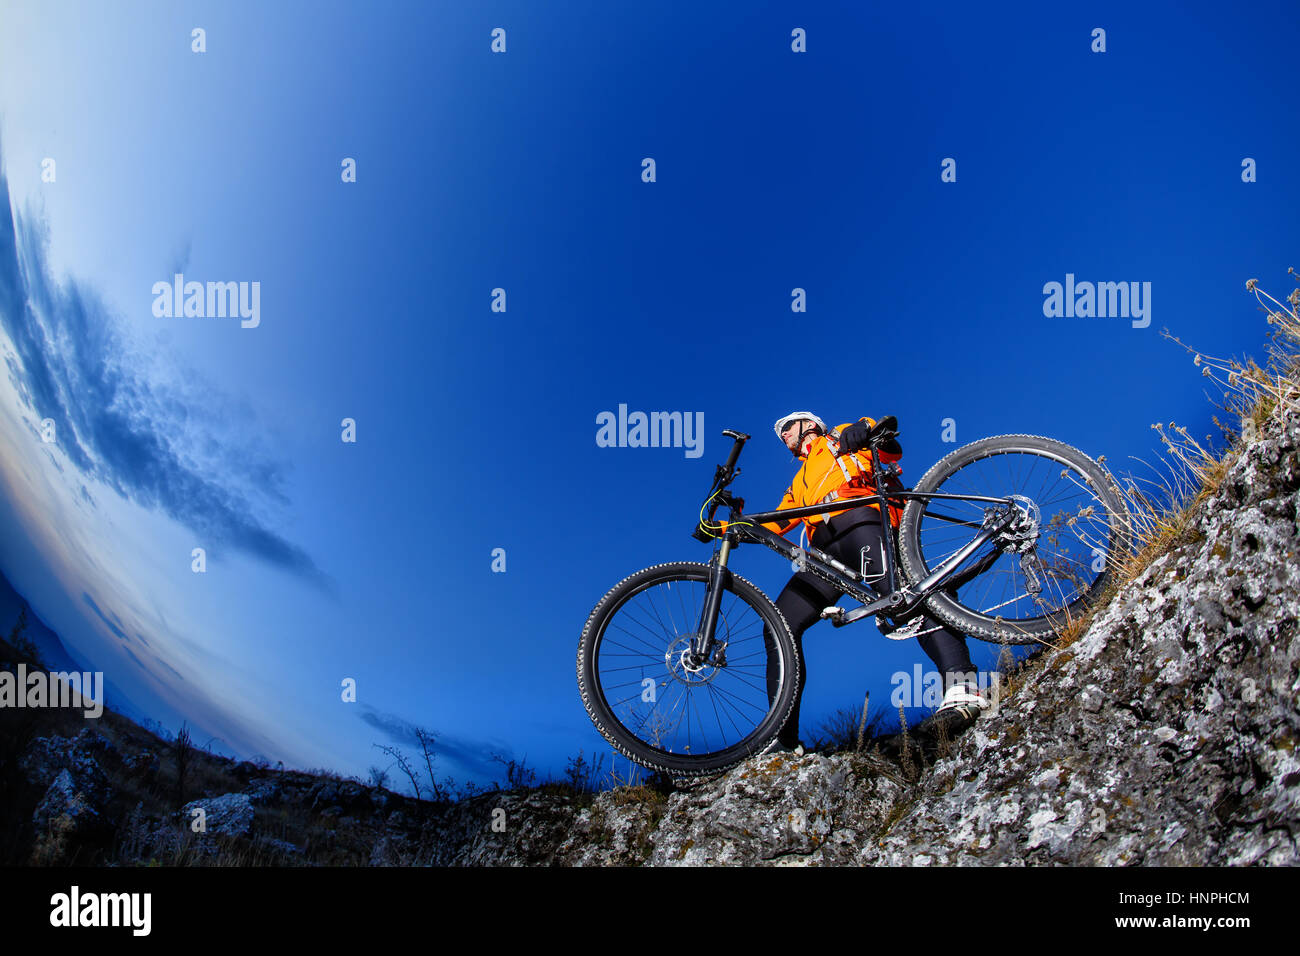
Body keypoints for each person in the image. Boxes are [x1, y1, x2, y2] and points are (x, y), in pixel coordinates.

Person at [762, 412, 989, 754]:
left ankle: (963, 686)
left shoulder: (837, 437)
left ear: (811, 424)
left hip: (861, 520)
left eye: (787, 427)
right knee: (779, 623)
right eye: (781, 432)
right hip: (825, 553)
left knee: (908, 600)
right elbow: (775, 523)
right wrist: (724, 527)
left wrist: (864, 429)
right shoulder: (798, 482)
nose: (783, 435)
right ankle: (783, 735)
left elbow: (887, 442)